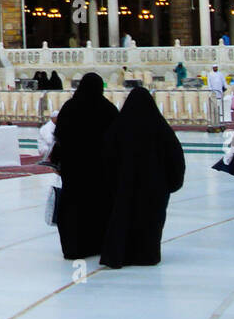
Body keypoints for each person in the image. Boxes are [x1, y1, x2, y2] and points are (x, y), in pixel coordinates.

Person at [100, 86, 186, 268]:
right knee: (149, 220)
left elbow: (107, 157)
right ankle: (146, 254)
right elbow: (175, 157)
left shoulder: (119, 128)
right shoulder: (160, 128)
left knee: (125, 217)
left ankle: (124, 253)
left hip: (124, 186)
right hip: (154, 187)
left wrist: (112, 183)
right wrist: (172, 183)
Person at [49, 72, 118, 260]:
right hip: (99, 169)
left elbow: (60, 136)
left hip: (74, 167)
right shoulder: (107, 109)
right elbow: (116, 139)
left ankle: (74, 246)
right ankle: (97, 243)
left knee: (74, 205)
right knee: (99, 204)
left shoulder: (70, 107)